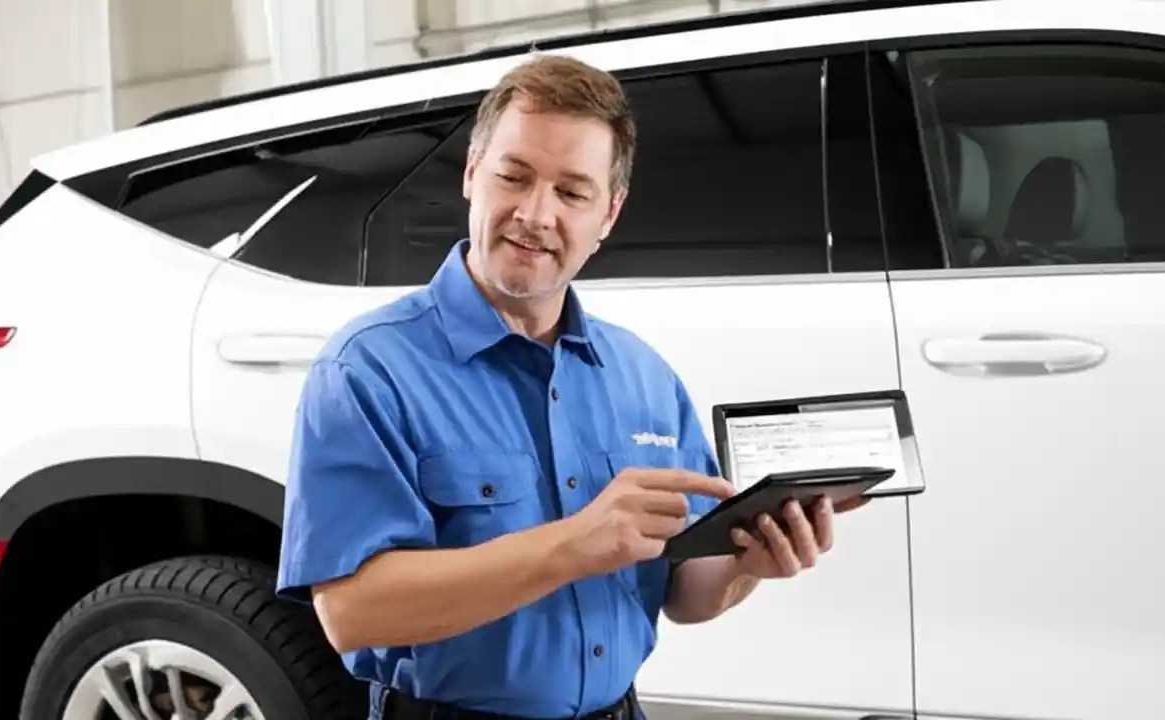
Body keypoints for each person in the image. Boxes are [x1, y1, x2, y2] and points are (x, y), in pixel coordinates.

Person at [275, 53, 867, 720]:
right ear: (472, 174)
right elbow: (353, 612)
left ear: (608, 214)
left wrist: (747, 566)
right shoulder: (366, 371)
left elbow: (685, 590)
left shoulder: (644, 377)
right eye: (514, 176)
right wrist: (574, 545)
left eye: (572, 193)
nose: (535, 214)